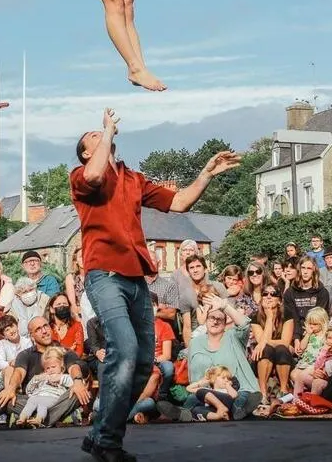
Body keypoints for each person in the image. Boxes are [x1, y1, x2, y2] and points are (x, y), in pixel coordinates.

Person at [70, 107, 240, 461]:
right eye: (93, 137)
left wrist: (206, 173)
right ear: (86, 152)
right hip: (104, 275)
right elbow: (97, 173)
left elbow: (178, 202)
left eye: (100, 133)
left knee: (145, 362)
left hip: (136, 278)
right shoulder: (82, 176)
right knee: (125, 350)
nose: (100, 136)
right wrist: (108, 131)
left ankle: (100, 432)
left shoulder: (133, 179)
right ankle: (108, 442)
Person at [18, 346, 74, 427]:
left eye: (53, 367)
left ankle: (39, 419)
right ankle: (23, 418)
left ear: (61, 367)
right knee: (30, 402)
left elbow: (72, 383)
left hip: (53, 398)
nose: (50, 370)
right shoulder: (43, 378)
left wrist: (60, 378)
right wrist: (36, 379)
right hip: (38, 396)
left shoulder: (64, 376)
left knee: (42, 404)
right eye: (48, 368)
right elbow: (28, 390)